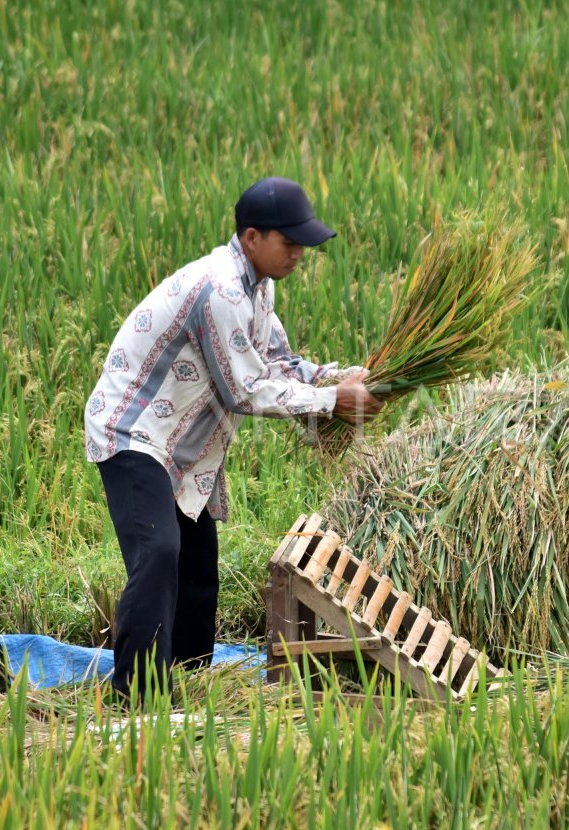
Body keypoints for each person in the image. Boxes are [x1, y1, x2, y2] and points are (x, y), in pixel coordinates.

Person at [84, 176, 382, 702]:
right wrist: (337, 402)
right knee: (158, 551)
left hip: (180, 444)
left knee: (196, 563)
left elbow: (282, 366)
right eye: (289, 242)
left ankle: (193, 680)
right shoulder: (222, 290)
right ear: (251, 238)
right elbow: (246, 389)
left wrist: (354, 378)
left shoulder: (257, 289)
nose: (298, 254)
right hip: (134, 432)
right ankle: (135, 696)